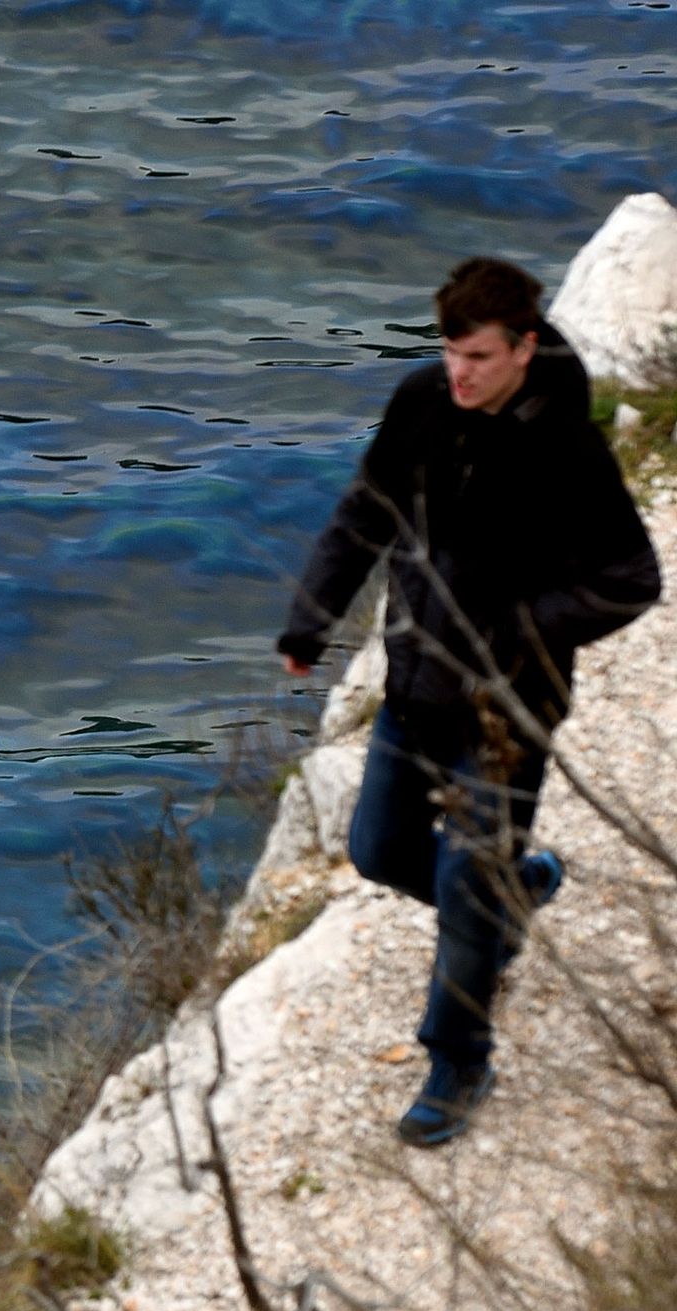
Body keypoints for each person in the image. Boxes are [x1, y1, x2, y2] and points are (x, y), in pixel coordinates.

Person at [277, 256, 660, 1148]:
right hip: (412, 691)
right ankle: (514, 896)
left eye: (479, 357)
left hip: (505, 716)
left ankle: (459, 1060)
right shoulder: (421, 403)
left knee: (461, 878)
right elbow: (362, 515)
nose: (460, 373)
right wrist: (310, 621)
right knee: (378, 851)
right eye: (451, 352)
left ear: (525, 348)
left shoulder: (568, 449)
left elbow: (632, 579)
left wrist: (521, 631)